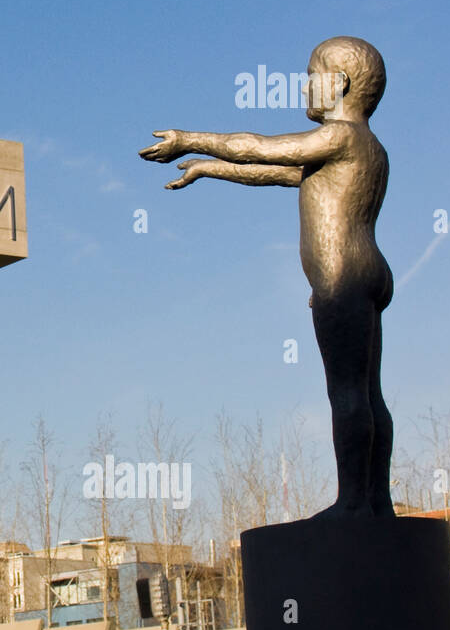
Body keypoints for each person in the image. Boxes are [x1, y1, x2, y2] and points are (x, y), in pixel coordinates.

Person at [140, 36, 393, 518]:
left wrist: (189, 140)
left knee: (346, 392)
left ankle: (354, 503)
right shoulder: (367, 148)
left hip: (342, 277)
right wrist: (208, 169)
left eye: (310, 74)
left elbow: (260, 148)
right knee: (367, 392)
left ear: (337, 84)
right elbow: (273, 173)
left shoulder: (339, 137)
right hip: (370, 272)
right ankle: (375, 501)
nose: (303, 85)